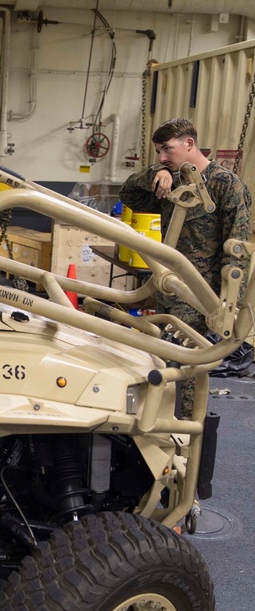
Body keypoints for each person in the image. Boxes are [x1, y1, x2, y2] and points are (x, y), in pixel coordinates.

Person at [119, 117, 252, 419]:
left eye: (167, 150)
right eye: (159, 152)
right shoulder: (173, 181)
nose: (163, 156)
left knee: (188, 364)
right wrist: (158, 172)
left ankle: (187, 426)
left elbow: (238, 248)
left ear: (189, 144)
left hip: (200, 293)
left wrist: (230, 304)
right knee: (163, 357)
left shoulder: (225, 185)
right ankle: (162, 416)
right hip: (169, 287)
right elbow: (128, 195)